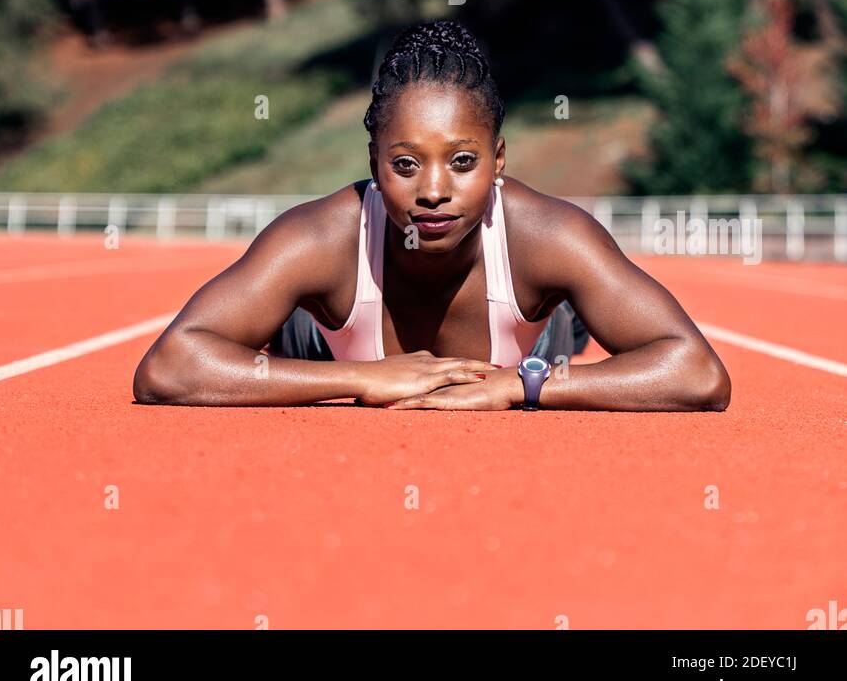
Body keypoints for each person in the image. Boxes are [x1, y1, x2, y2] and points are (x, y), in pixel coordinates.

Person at [133, 20, 731, 412]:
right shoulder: (321, 236)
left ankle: (556, 322)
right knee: (283, 319)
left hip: (529, 342)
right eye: (406, 164)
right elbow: (169, 365)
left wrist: (520, 384)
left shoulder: (548, 235)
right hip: (325, 346)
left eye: (463, 161)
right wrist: (364, 378)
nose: (435, 191)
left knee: (559, 330)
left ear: (499, 159)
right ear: (373, 160)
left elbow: (698, 372)